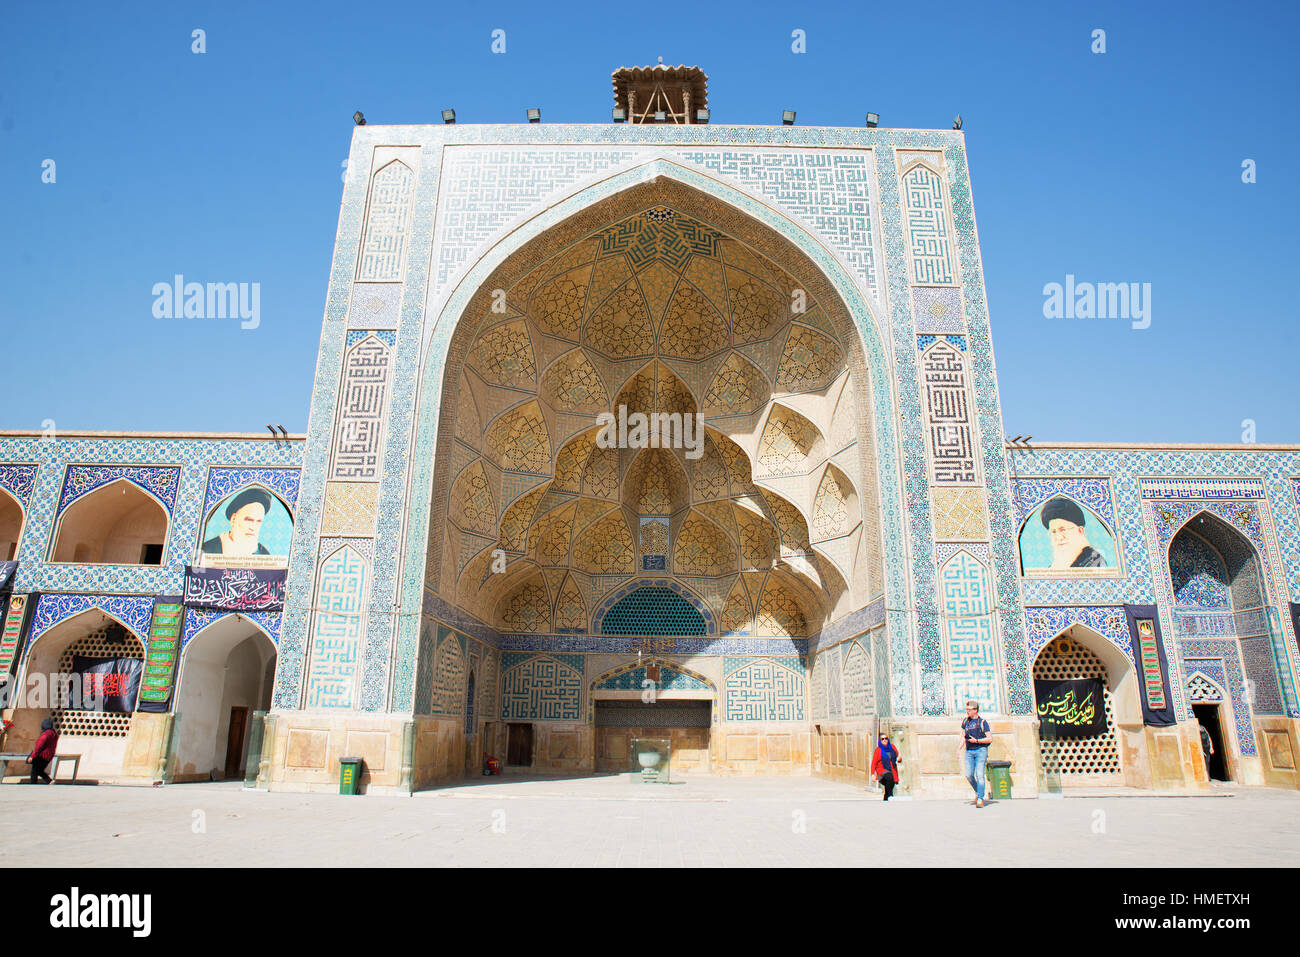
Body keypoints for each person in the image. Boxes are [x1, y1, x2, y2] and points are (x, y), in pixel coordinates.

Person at [202, 488, 273, 557]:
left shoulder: (264, 554)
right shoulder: (206, 550)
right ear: (233, 519)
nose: (253, 527)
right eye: (249, 520)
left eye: (258, 521)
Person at [1040, 496, 1105, 569]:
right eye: (1054, 532)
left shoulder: (1094, 561)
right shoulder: (1055, 565)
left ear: (1080, 530)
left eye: (1063, 530)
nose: (1059, 537)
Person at [961, 700, 992, 807]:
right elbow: (963, 736)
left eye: (969, 710)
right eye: (967, 709)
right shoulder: (966, 722)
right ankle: (978, 792)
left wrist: (977, 741)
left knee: (980, 775)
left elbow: (989, 739)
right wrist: (959, 748)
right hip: (969, 751)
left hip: (980, 750)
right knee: (969, 775)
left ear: (975, 710)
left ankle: (980, 799)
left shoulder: (983, 722)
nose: (967, 712)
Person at [871, 732, 901, 800]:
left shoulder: (892, 747)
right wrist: (872, 774)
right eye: (882, 739)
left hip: (893, 770)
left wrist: (899, 759)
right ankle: (890, 796)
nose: (884, 740)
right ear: (880, 741)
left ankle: (886, 799)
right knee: (889, 777)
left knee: (891, 784)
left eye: (886, 738)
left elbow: (898, 756)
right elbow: (874, 763)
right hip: (882, 771)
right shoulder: (878, 750)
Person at [28, 717, 58, 785]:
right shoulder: (54, 734)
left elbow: (39, 746)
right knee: (39, 770)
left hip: (42, 755)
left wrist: (32, 756)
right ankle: (49, 781)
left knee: (35, 770)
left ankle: (33, 784)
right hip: (49, 755)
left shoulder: (45, 734)